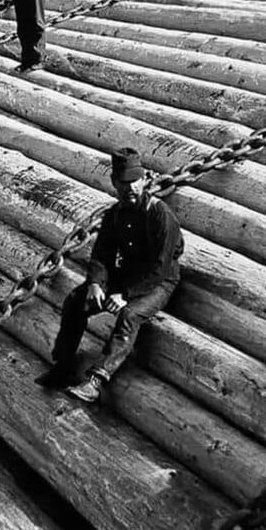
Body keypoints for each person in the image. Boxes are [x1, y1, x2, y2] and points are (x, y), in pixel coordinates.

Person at [38, 147, 184, 404]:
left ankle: (96, 381)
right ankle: (63, 366)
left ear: (145, 180)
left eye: (135, 181)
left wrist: (125, 295)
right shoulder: (115, 214)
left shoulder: (160, 215)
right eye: (124, 183)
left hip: (158, 282)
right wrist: (95, 283)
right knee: (76, 300)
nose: (131, 188)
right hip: (128, 275)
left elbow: (159, 269)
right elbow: (101, 255)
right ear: (115, 183)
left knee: (129, 315)